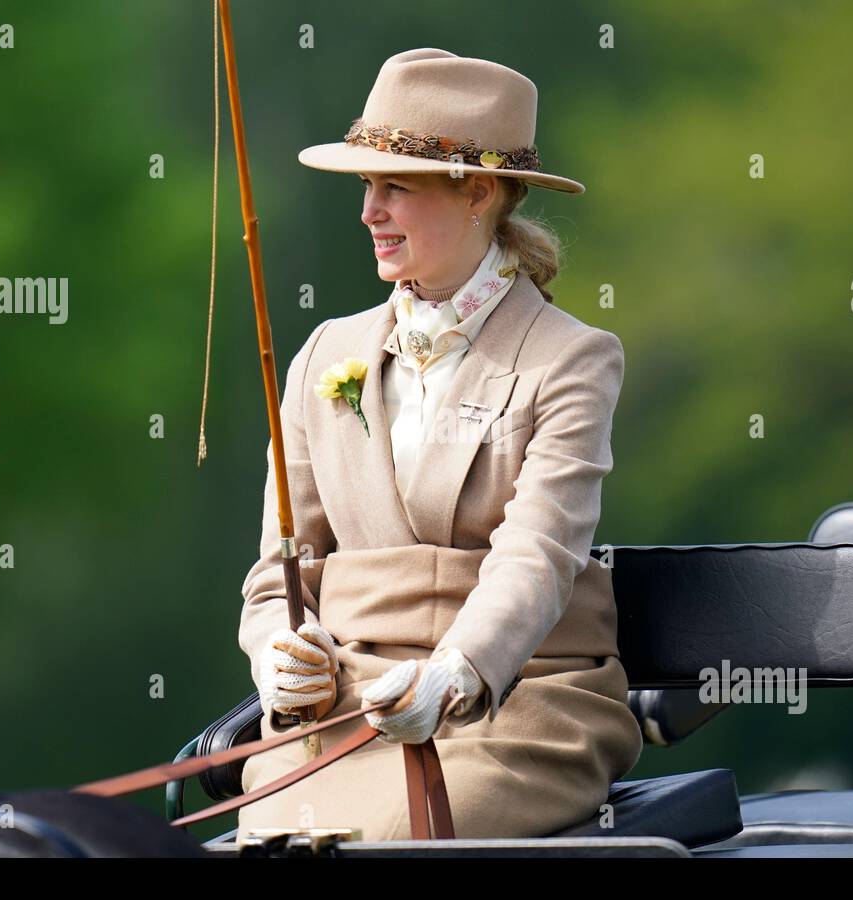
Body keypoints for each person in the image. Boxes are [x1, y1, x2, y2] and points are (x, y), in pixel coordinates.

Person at [235, 48, 642, 840]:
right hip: (345, 713)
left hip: (521, 703)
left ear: (478, 194)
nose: (369, 212)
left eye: (396, 187)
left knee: (391, 839)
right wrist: (277, 654)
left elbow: (540, 553)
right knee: (269, 838)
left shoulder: (572, 359)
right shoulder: (325, 354)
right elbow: (278, 571)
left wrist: (456, 674)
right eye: (365, 186)